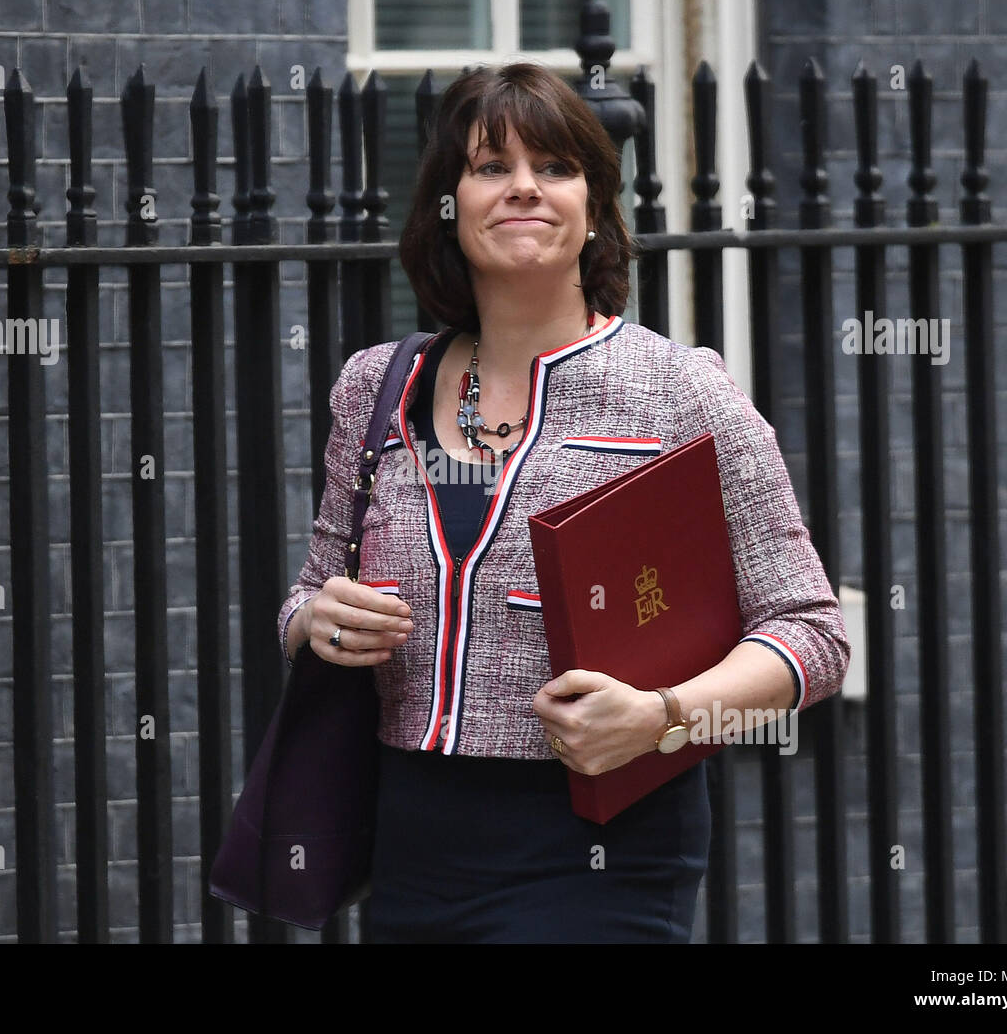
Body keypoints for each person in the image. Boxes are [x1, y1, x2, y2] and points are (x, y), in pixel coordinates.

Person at [277, 62, 850, 943]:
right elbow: (308, 592)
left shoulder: (677, 390)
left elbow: (812, 631)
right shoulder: (376, 387)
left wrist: (662, 719)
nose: (523, 191)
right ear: (448, 202)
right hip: (410, 844)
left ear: (594, 209)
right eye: (490, 166)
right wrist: (318, 620)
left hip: (600, 844)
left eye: (554, 168)